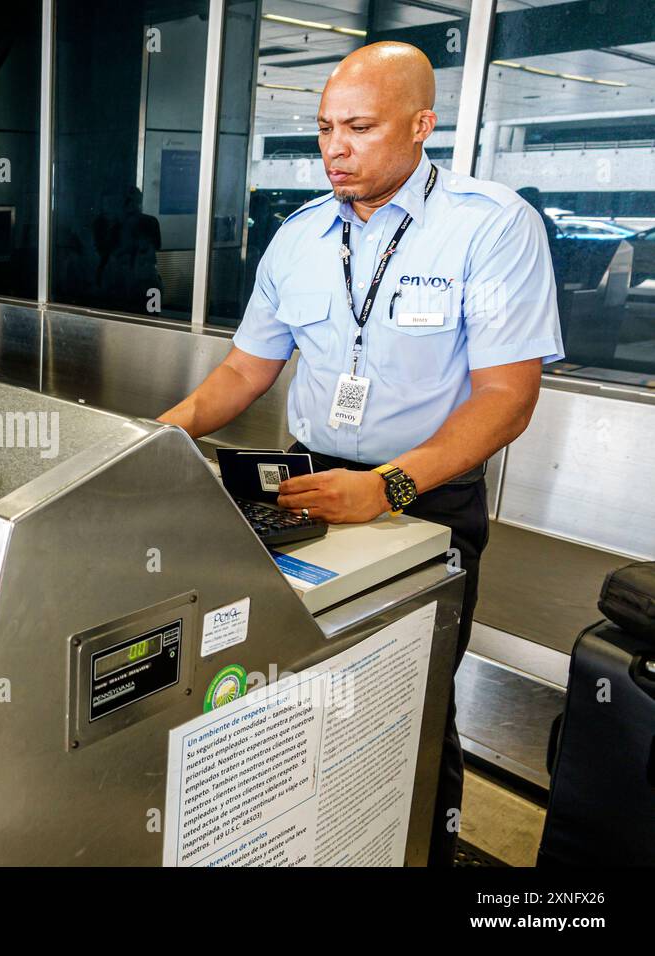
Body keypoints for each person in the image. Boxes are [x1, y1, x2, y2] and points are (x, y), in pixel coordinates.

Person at [158, 42, 563, 865]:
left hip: (422, 495)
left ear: (421, 125)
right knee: (300, 682)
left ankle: (422, 848)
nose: (335, 148)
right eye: (324, 129)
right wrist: (153, 440)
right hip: (303, 482)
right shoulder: (301, 236)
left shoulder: (491, 227)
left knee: (409, 695)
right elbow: (244, 371)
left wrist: (390, 486)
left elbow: (506, 397)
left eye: (360, 127)